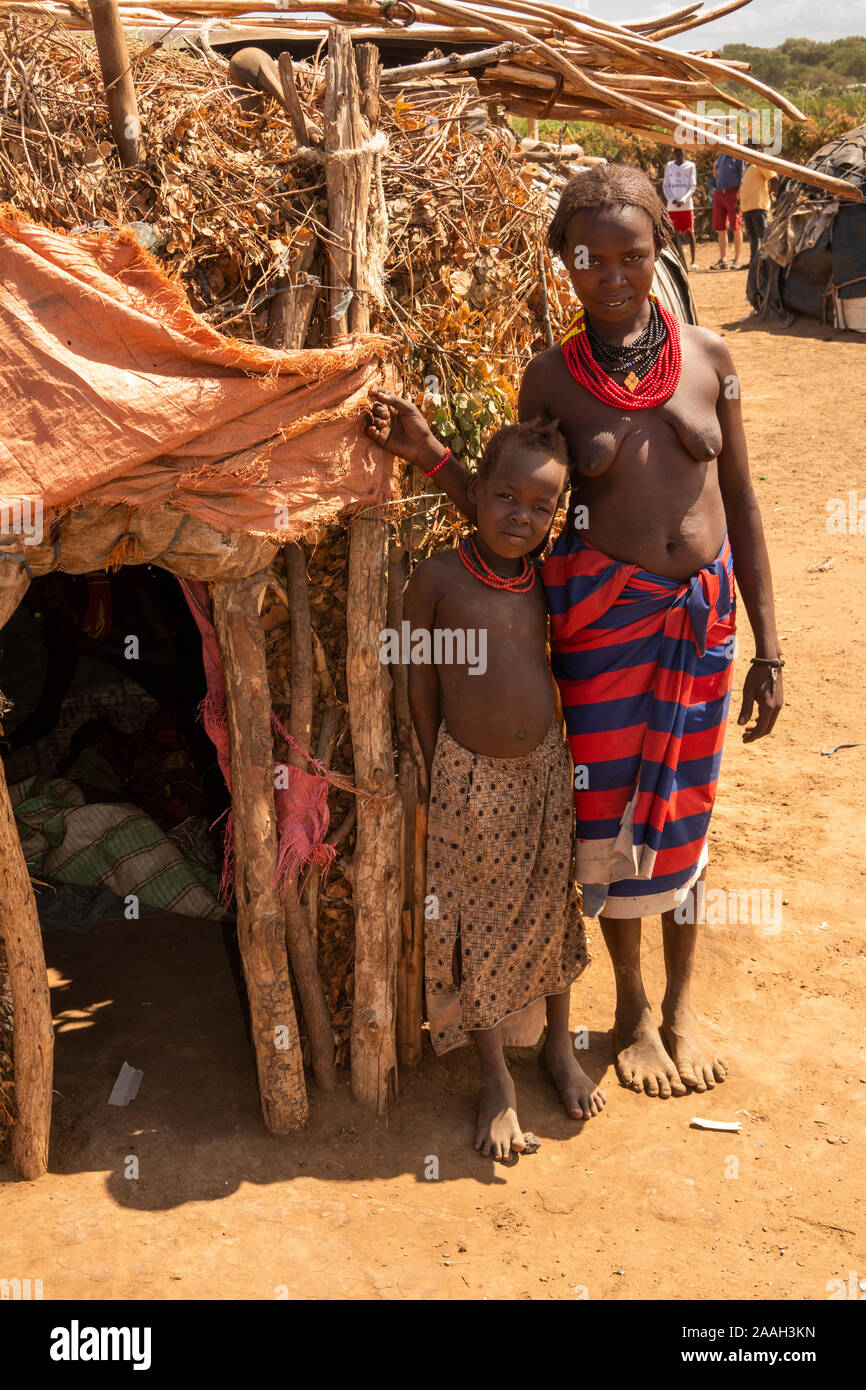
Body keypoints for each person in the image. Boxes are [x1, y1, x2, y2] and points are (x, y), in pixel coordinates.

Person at [368, 163, 784, 1101]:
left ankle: (681, 1005)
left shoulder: (713, 357)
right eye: (590, 260)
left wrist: (772, 644)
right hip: (600, 633)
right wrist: (434, 456)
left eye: (632, 256)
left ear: (661, 250)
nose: (613, 276)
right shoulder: (552, 377)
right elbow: (516, 511)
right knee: (607, 823)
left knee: (685, 816)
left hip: (702, 628)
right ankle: (630, 1007)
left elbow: (746, 504)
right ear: (566, 263)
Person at [740, 140, 776, 267]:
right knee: (753, 237)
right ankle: (754, 262)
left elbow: (774, 178)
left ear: (757, 148)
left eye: (748, 148)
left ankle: (768, 260)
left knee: (763, 235)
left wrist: (772, 192)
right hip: (747, 207)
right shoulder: (749, 166)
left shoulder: (761, 162)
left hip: (758, 206)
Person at [662, 147, 697, 267]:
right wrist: (672, 199)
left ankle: (693, 261)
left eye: (681, 151)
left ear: (685, 152)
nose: (678, 154)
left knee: (690, 232)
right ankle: (675, 260)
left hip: (686, 206)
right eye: (676, 152)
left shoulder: (690, 166)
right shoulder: (669, 166)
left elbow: (692, 186)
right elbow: (666, 185)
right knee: (671, 234)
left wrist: (683, 200)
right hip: (672, 207)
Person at [711, 150, 744, 269]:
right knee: (721, 228)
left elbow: (743, 177)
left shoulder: (739, 157)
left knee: (736, 227)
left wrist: (738, 198)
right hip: (719, 193)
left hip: (733, 194)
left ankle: (737, 259)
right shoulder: (722, 155)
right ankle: (723, 259)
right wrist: (715, 169)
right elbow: (716, 173)